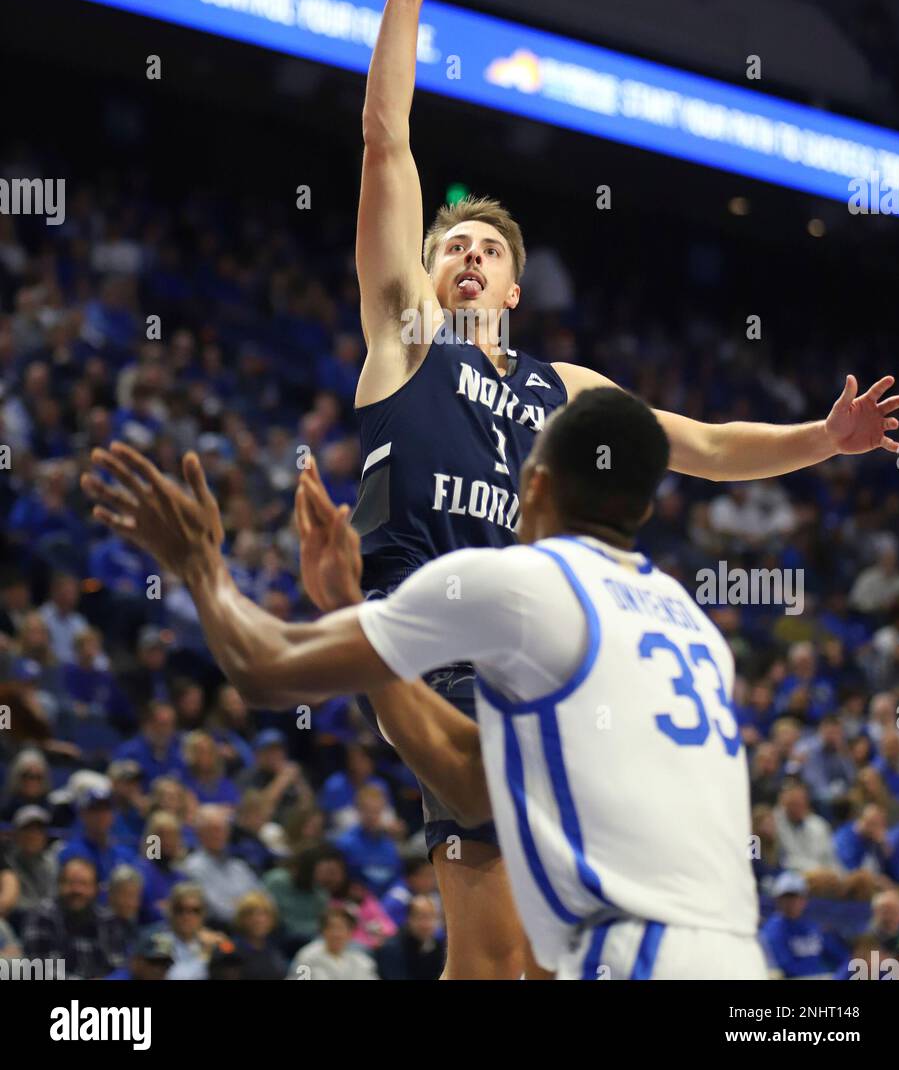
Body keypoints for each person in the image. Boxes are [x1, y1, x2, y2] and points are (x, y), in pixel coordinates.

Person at [339, 0, 899, 976]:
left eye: (484, 251)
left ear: (512, 284)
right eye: (448, 242)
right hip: (435, 647)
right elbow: (383, 143)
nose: (461, 256)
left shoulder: (567, 387)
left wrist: (821, 439)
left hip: (542, 654)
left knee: (501, 954)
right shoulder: (407, 338)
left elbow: (700, 444)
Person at [84, 387, 768, 979]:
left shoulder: (520, 581)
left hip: (628, 954)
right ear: (642, 511)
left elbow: (266, 671)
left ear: (533, 484)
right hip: (742, 959)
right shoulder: (696, 626)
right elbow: (474, 782)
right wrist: (352, 608)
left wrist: (202, 566)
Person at [760, 872, 842, 979]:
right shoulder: (772, 930)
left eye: (797, 896)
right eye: (787, 897)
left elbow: (839, 955)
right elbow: (787, 968)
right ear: (778, 900)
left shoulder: (812, 926)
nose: (792, 902)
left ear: (804, 900)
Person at [287, 905, 378, 982]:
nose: (336, 934)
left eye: (341, 928)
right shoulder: (307, 956)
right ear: (323, 931)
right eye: (331, 928)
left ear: (350, 933)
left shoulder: (362, 960)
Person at [376, 895, 446, 981]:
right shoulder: (391, 948)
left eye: (430, 917)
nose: (426, 924)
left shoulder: (437, 946)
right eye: (420, 917)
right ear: (409, 919)